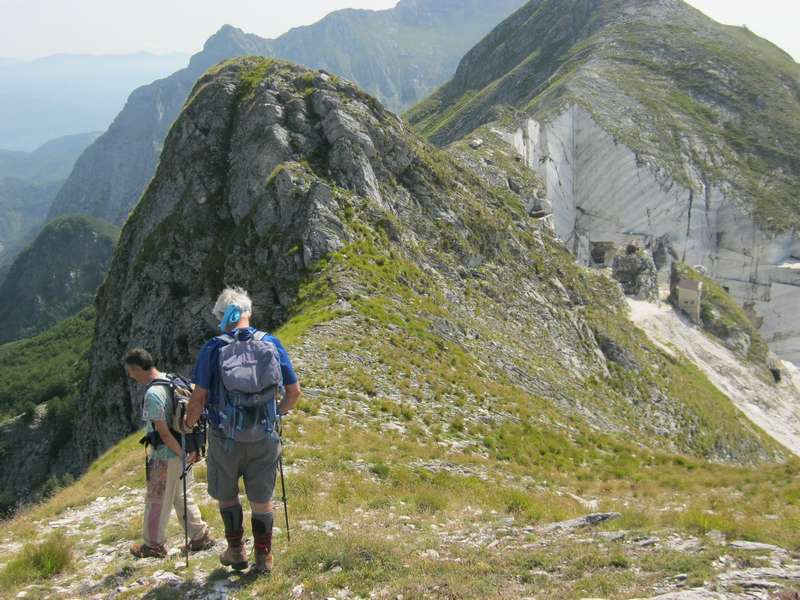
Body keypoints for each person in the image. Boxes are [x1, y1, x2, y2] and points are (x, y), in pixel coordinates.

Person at [185, 287, 301, 574]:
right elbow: (293, 392)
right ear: (248, 312)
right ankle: (264, 558)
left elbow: (198, 399)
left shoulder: (214, 348)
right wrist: (275, 414)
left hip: (225, 438)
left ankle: (236, 551)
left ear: (222, 317)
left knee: (227, 494)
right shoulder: (271, 343)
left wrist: (188, 426)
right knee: (262, 499)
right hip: (264, 435)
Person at [123, 348, 213, 558]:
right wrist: (188, 452)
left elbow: (163, 433)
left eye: (130, 371)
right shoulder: (171, 380)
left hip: (166, 455)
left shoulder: (153, 394)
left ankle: (153, 544)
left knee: (156, 500)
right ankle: (200, 536)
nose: (130, 376)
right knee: (181, 496)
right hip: (184, 449)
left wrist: (180, 454)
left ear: (137, 368)